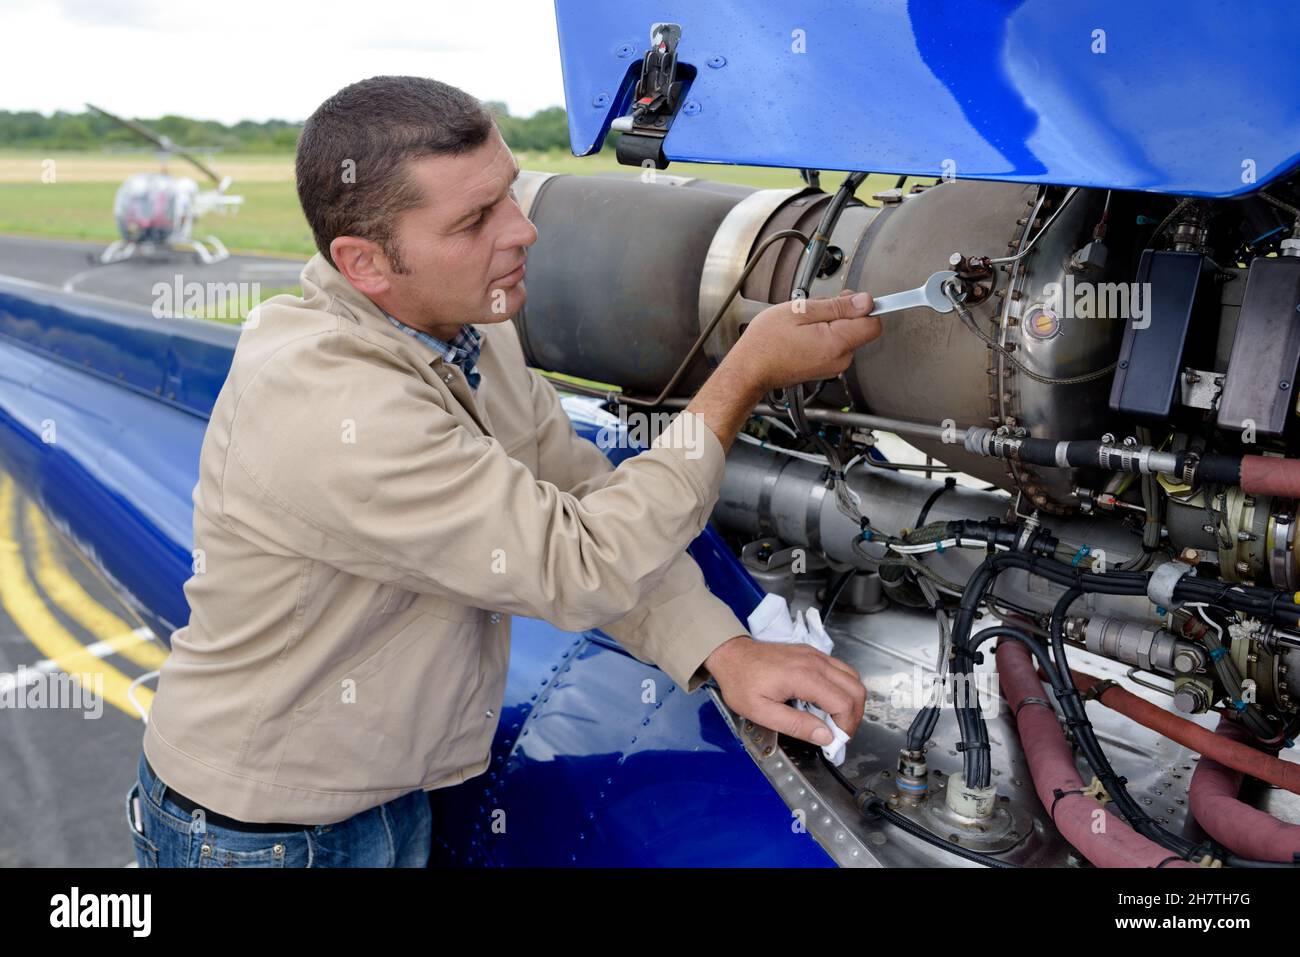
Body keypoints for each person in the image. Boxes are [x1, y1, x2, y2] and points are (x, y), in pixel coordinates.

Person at [127, 75, 880, 867]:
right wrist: (741, 377)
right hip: (268, 836)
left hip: (380, 798)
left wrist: (719, 649)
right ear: (366, 263)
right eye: (475, 220)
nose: (522, 231)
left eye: (511, 193)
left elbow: (581, 495)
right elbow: (581, 561)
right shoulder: (335, 404)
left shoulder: (462, 325)